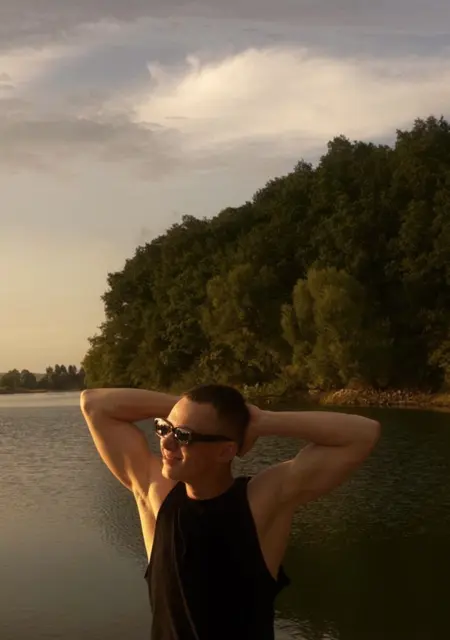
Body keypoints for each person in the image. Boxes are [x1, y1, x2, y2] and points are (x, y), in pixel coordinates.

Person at [80, 384, 380, 640]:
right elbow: (94, 403)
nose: (166, 443)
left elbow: (363, 433)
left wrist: (260, 420)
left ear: (225, 451)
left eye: (183, 435)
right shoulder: (158, 497)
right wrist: (190, 409)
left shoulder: (260, 504)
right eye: (164, 428)